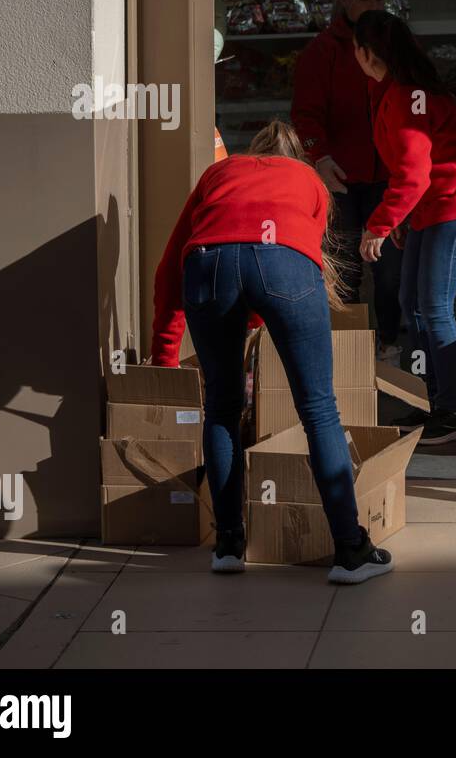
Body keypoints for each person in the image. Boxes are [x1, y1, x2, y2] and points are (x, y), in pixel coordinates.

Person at [149, 121, 394, 583]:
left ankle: (228, 545)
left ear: (252, 151)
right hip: (281, 262)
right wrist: (262, 312)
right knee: (319, 410)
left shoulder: (219, 174)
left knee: (221, 410)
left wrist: (163, 359)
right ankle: (350, 551)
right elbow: (296, 258)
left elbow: (168, 271)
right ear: (297, 155)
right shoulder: (309, 181)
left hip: (207, 265)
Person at [351, 10, 456, 446]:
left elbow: (414, 174)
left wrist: (379, 225)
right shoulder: (397, 89)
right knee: (412, 302)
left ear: (365, 53)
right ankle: (430, 397)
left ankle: (451, 409)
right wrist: (404, 219)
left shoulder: (404, 94)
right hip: (438, 204)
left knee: (434, 306)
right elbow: (415, 173)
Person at [291, 0, 403, 361]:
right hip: (340, 178)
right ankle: (348, 351)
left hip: (389, 180)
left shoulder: (397, 46)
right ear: (345, 1)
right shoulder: (322, 52)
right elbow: (306, 116)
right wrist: (319, 157)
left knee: (390, 272)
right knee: (345, 268)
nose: (372, 5)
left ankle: (391, 345)